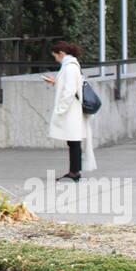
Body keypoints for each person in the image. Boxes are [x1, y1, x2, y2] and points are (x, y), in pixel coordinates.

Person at [42, 40, 96, 180]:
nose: (55, 59)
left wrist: (60, 109)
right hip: (72, 108)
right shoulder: (70, 65)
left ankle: (75, 172)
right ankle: (74, 171)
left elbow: (70, 90)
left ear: (61, 53)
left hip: (71, 109)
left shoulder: (70, 67)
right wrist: (55, 82)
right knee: (73, 140)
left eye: (55, 56)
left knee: (74, 140)